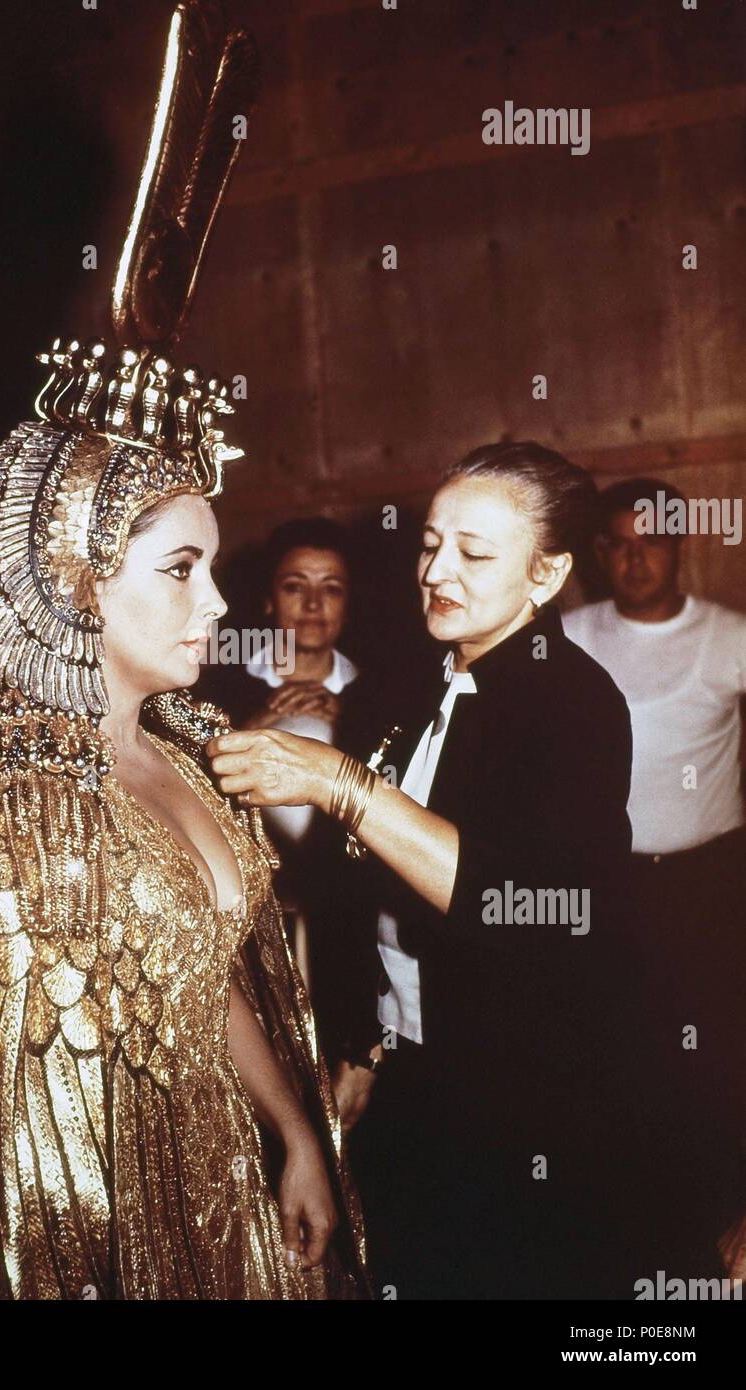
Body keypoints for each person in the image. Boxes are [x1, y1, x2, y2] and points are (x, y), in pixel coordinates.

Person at [0, 4, 369, 1301]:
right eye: (179, 570)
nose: (214, 605)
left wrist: (298, 1134)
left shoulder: (196, 748)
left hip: (233, 1204)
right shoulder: (3, 820)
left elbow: (206, 978)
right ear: (78, 585)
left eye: (212, 566)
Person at [210, 441, 646, 1299]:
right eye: (429, 544)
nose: (436, 570)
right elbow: (360, 895)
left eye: (474, 554)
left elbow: (528, 906)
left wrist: (342, 784)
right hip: (414, 1061)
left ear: (546, 575)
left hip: (525, 1085)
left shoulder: (575, 704)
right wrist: (365, 1041)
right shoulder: (409, 682)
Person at [562, 477, 746, 1272]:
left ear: (680, 544)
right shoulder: (563, 634)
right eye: (619, 544)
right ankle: (642, 1244)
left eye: (653, 541)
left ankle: (724, 1233)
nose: (636, 559)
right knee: (621, 1063)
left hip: (711, 884)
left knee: (717, 1058)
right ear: (600, 554)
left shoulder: (729, 636)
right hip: (609, 889)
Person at [199, 518, 383, 1066]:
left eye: (331, 588)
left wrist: (349, 728)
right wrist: (250, 729)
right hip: (250, 927)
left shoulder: (381, 695)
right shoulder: (215, 686)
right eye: (294, 585)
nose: (312, 603)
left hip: (352, 936)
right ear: (266, 601)